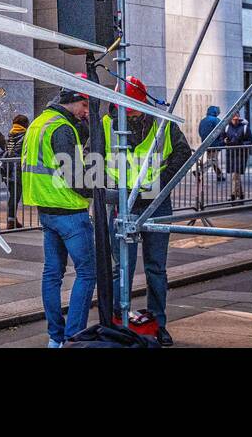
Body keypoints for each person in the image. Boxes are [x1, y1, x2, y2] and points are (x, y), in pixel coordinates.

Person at [101, 77, 191, 347]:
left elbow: (183, 155)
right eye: (125, 109)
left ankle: (158, 324)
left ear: (143, 103)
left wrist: (158, 186)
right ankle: (117, 323)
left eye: (133, 109)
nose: (129, 114)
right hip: (122, 200)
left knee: (155, 268)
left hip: (155, 200)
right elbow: (88, 156)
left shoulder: (163, 124)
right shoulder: (106, 124)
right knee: (120, 269)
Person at [21, 85, 95, 347]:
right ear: (72, 101)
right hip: (69, 210)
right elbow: (74, 175)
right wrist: (98, 189)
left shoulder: (40, 122)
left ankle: (55, 338)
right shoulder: (62, 128)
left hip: (46, 210)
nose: (86, 111)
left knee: (52, 274)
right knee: (87, 272)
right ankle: (73, 337)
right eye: (84, 106)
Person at [4, 113, 31, 229]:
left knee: (14, 195)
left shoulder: (11, 134)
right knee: (15, 195)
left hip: (8, 169)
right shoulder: (25, 135)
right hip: (17, 170)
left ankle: (13, 219)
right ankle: (11, 220)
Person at [223, 111, 252, 200]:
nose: (235, 121)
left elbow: (250, 140)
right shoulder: (226, 127)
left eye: (236, 119)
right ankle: (241, 194)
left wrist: (242, 144)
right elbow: (222, 138)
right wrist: (225, 141)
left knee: (235, 175)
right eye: (233, 119)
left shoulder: (245, 127)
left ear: (239, 118)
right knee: (235, 175)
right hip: (230, 154)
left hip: (241, 154)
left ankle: (233, 195)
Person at [196, 105, 225, 182]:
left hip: (205, 143)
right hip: (215, 143)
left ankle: (220, 175)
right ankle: (199, 171)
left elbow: (200, 131)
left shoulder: (203, 120)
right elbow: (221, 131)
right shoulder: (216, 120)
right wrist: (222, 141)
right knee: (212, 160)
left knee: (212, 160)